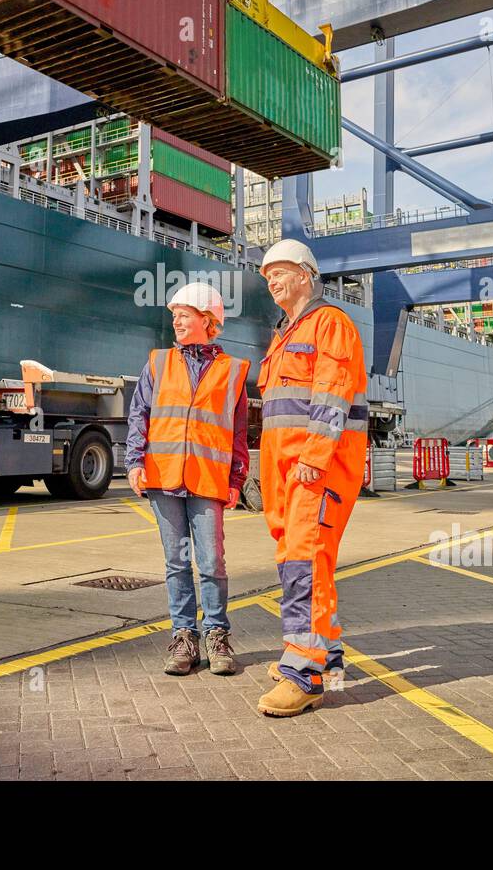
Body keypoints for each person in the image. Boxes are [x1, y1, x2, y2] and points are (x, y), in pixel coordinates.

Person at [255, 239, 368, 718]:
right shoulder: (284, 333)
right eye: (266, 277)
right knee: (299, 560)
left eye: (278, 272)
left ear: (306, 274)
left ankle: (304, 674)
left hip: (314, 469)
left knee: (305, 563)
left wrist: (315, 457)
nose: (271, 282)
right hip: (286, 471)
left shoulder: (330, 324)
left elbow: (332, 394)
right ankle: (331, 659)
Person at [126, 282, 250, 677]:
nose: (176, 320)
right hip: (164, 478)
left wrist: (237, 479)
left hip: (209, 481)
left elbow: (238, 431)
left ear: (208, 320)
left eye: (185, 314)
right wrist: (133, 461)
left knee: (212, 563)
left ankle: (217, 635)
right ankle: (184, 638)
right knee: (176, 563)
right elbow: (139, 414)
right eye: (174, 315)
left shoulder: (233, 371)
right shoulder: (158, 363)